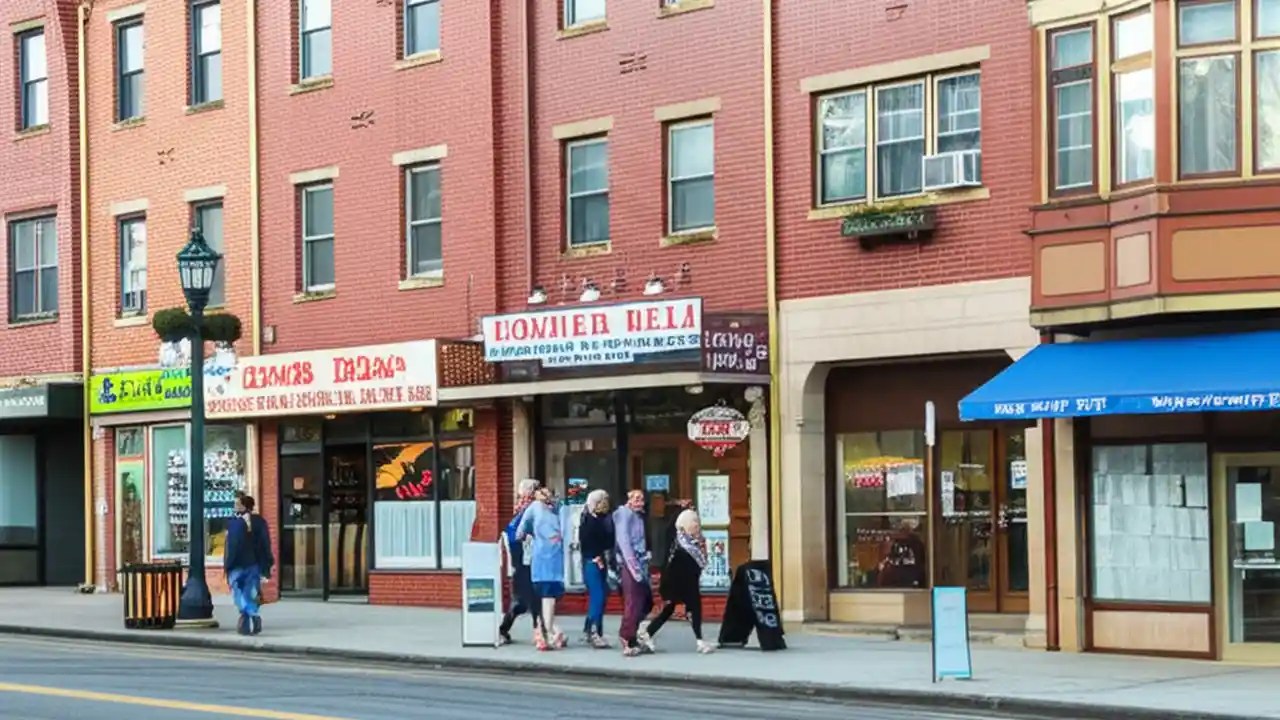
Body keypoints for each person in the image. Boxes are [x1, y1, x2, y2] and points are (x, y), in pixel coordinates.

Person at [645, 508, 715, 654]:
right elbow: (676, 566)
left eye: (697, 522)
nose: (697, 525)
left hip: (687, 581)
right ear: (685, 525)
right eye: (694, 522)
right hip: (676, 582)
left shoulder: (695, 542)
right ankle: (647, 633)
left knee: (687, 609)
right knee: (674, 609)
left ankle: (648, 633)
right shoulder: (680, 544)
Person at [518, 486, 567, 650]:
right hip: (556, 558)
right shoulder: (559, 510)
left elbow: (520, 532)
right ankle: (550, 632)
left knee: (545, 597)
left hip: (541, 558)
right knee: (549, 597)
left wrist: (530, 535)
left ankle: (547, 633)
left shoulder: (534, 508)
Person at [224, 494, 274, 636]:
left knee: (238, 592)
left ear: (244, 506)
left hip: (237, 564)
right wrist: (267, 562)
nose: (235, 506)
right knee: (250, 593)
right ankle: (248, 620)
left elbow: (232, 546)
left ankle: (250, 614)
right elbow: (266, 543)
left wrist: (228, 564)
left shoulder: (234, 523)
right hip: (254, 563)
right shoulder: (260, 521)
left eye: (237, 504)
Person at [499, 478, 540, 645]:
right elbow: (515, 536)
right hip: (524, 562)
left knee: (528, 601)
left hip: (524, 562)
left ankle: (540, 631)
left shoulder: (523, 510)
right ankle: (540, 633)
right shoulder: (528, 511)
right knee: (528, 601)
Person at [613, 489, 653, 656]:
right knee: (634, 602)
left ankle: (632, 635)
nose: (640, 502)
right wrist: (633, 567)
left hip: (641, 563)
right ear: (628, 500)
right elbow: (624, 542)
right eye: (636, 499)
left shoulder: (638, 516)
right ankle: (627, 637)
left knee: (645, 601)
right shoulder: (625, 515)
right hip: (631, 565)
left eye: (641, 499)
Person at [578, 490, 615, 649]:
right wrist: (595, 556)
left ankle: (592, 629)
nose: (606, 504)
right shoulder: (589, 520)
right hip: (593, 561)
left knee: (601, 595)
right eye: (602, 501)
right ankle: (594, 632)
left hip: (599, 560)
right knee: (598, 596)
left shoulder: (600, 519)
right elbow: (586, 542)